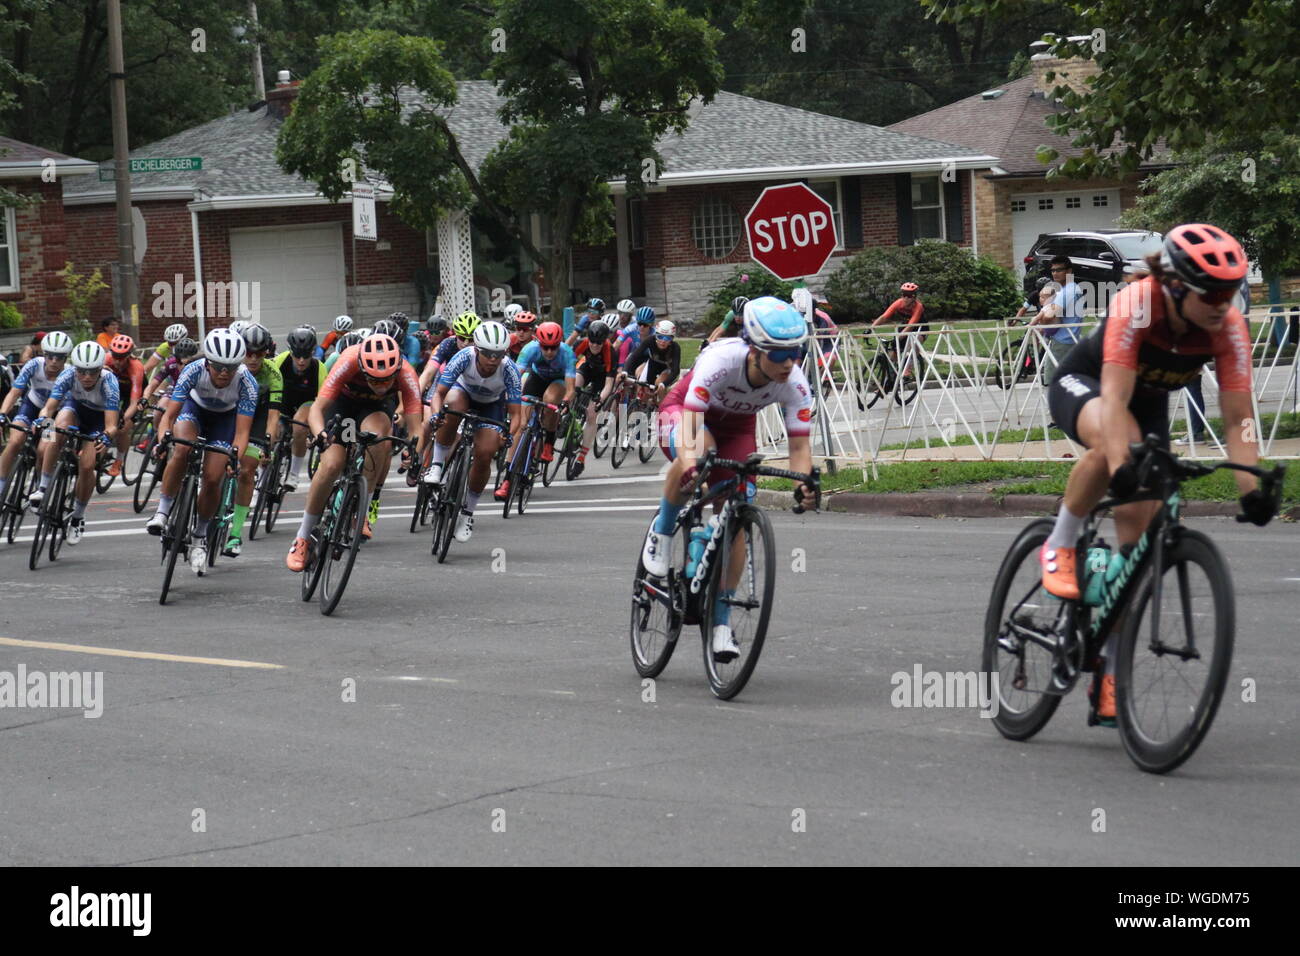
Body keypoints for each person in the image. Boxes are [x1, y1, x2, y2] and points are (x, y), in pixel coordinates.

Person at [1041, 224, 1274, 724]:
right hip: (1089, 387)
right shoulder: (1138, 304)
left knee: (1133, 558)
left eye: (1229, 291)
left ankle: (1108, 673)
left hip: (1146, 410)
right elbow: (1114, 402)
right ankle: (1059, 542)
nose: (1221, 302)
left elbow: (1239, 419)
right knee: (1114, 450)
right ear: (1173, 285)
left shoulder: (1228, 325)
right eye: (1210, 292)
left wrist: (1251, 489)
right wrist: (1123, 467)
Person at [641, 297, 816, 662]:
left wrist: (804, 484)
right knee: (700, 455)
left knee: (738, 511)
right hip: (684, 413)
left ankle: (721, 625)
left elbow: (800, 447)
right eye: (779, 354)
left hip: (737, 429)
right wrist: (690, 465)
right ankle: (662, 533)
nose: (790, 363)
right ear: (754, 350)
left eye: (795, 352)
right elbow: (690, 428)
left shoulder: (795, 383)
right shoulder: (720, 360)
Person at [286, 334, 421, 570]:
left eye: (387, 381)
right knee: (331, 464)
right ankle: (303, 537)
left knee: (379, 438)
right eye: (374, 380)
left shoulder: (407, 374)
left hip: (375, 409)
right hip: (342, 404)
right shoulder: (348, 360)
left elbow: (416, 428)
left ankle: (362, 509)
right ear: (362, 367)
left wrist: (414, 452)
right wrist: (320, 435)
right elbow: (317, 409)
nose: (381, 386)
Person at [146, 329, 258, 574]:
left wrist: (234, 457)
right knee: (182, 448)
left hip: (224, 421)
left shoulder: (248, 382)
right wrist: (164, 437)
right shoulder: (193, 370)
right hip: (194, 409)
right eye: (218, 367)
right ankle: (163, 511)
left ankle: (200, 537)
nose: (224, 373)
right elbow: (170, 415)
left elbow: (241, 434)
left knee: (212, 478)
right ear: (207, 363)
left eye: (231, 367)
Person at [422, 322, 523, 542]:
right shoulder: (463, 357)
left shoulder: (510, 370)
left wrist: (508, 435)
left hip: (491, 405)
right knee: (453, 406)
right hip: (462, 393)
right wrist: (437, 415)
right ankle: (437, 466)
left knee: (485, 453)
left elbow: (516, 415)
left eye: (499, 354)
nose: (493, 359)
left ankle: (467, 513)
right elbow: (439, 394)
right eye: (487, 354)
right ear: (476, 349)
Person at [29, 341, 120, 545]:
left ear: (100, 369)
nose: (86, 377)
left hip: (98, 420)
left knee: (87, 466)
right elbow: (49, 407)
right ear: (75, 368)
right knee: (55, 428)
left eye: (92, 372)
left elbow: (112, 425)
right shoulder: (68, 374)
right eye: (82, 371)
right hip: (75, 409)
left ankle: (78, 517)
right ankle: (42, 488)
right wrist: (43, 420)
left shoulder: (109, 382)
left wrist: (106, 436)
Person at [0, 330, 74, 505]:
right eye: (50, 356)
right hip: (31, 406)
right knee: (14, 442)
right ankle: (1, 486)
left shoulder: (70, 373)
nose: (54, 362)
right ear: (43, 354)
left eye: (60, 358)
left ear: (66, 358)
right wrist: (2, 414)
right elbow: (15, 392)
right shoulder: (34, 365)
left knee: (43, 450)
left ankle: (40, 488)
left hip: (53, 414)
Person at [1030, 255, 1084, 371]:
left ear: (1069, 271)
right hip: (1068, 340)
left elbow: (1049, 315)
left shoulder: (1068, 291)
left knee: (1052, 382)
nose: (1055, 273)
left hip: (1063, 343)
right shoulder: (1069, 289)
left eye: (1059, 270)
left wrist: (1042, 319)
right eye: (1053, 270)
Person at [103, 333, 145, 477]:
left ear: (129, 355)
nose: (118, 361)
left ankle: (119, 460)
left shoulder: (136, 367)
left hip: (133, 394)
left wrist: (123, 419)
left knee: (122, 428)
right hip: (116, 389)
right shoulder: (106, 360)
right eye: (115, 356)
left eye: (122, 358)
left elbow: (134, 403)